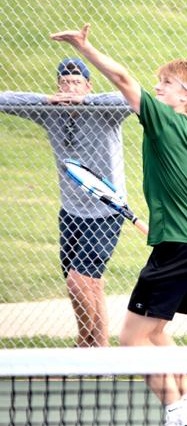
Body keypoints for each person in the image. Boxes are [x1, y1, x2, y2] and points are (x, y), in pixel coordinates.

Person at [51, 23, 187, 426]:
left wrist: (84, 48)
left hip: (177, 247)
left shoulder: (166, 119)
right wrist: (168, 233)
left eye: (166, 82)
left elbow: (123, 79)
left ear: (186, 96)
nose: (157, 87)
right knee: (156, 334)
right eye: (158, 82)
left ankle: (178, 416)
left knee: (131, 340)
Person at [0, 58, 130, 348]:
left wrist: (86, 100)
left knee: (77, 281)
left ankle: (84, 342)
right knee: (89, 285)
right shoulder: (50, 112)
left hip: (105, 210)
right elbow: (4, 100)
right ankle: (102, 351)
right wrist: (47, 99)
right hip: (70, 212)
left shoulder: (105, 111)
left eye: (76, 82)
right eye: (64, 82)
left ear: (88, 84)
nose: (70, 87)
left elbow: (132, 98)